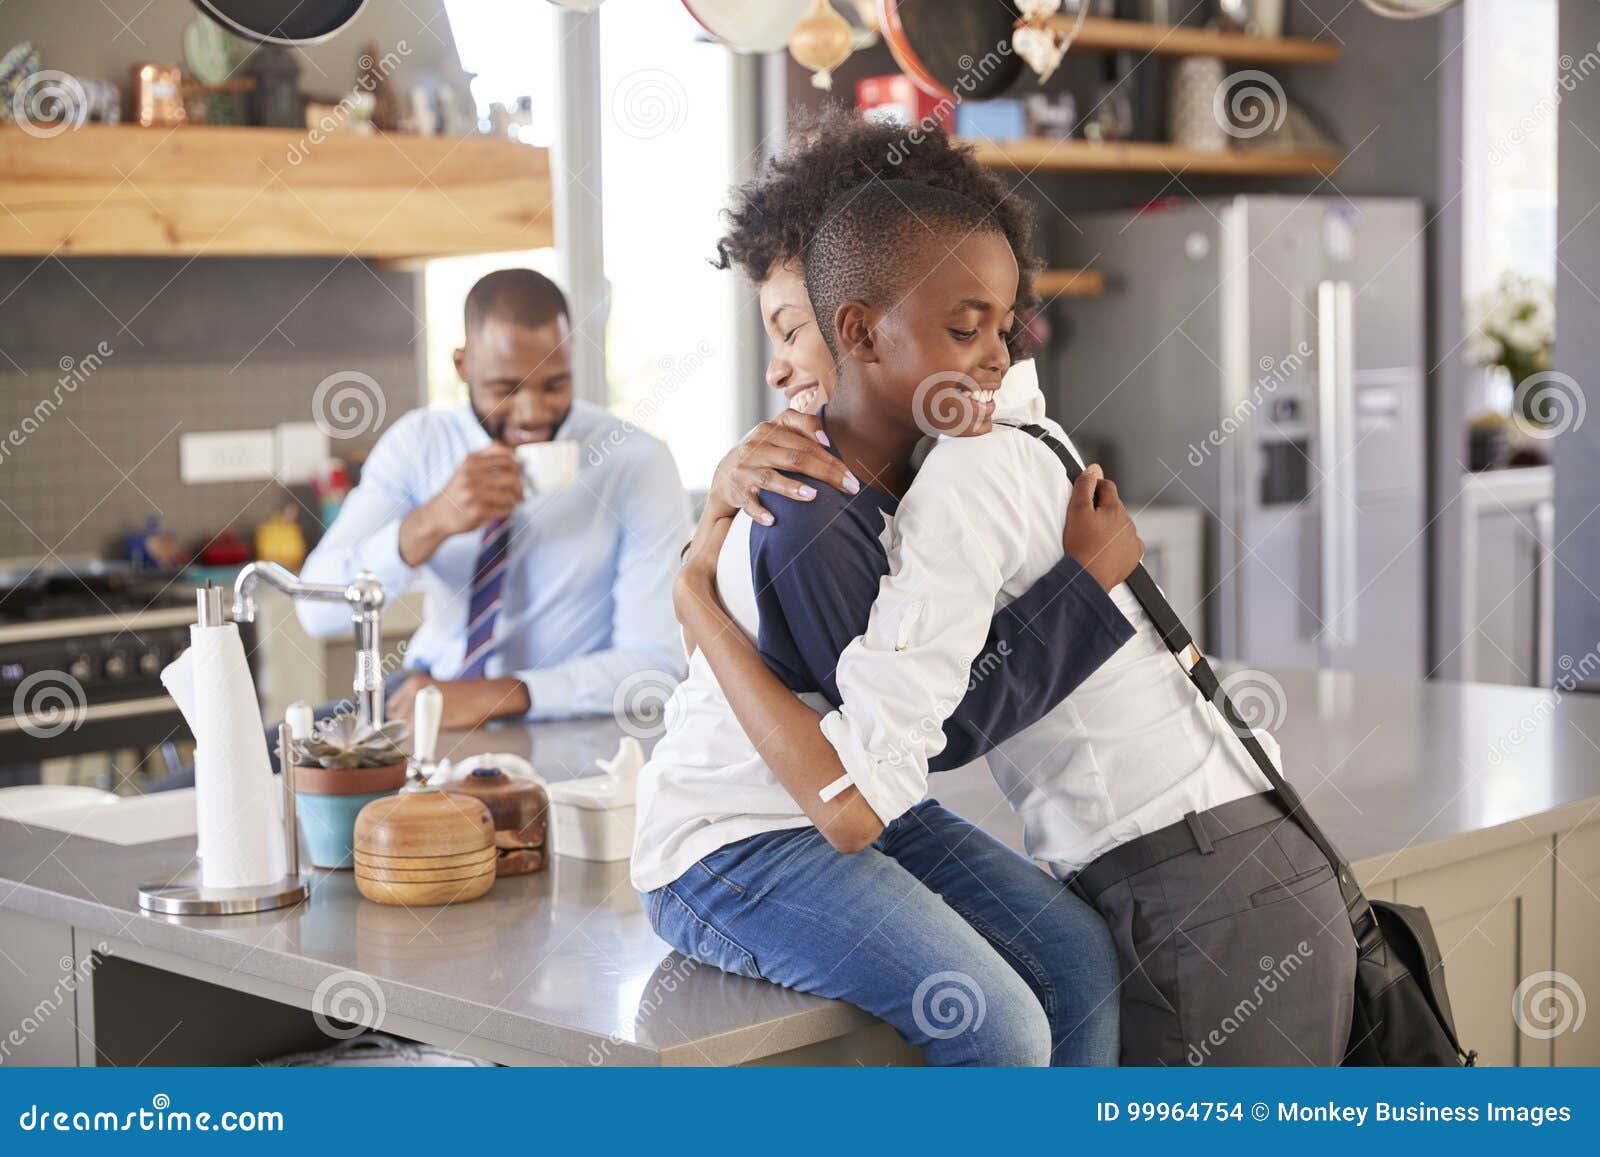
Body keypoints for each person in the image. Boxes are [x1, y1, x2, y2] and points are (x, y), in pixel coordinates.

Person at [681, 174, 1361, 1063]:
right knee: (1027, 1001)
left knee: (1061, 978)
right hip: (1245, 855)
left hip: (1195, 880)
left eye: (792, 327)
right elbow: (887, 759)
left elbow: (899, 754)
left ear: (846, 322)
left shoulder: (953, 466)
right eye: (774, 330)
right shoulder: (830, 496)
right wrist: (694, 581)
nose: (778, 364)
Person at [634, 180, 1144, 1067]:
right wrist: (1083, 591)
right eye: (792, 329)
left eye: (999, 327)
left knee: (1079, 957)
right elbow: (894, 758)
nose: (785, 364)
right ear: (862, 330)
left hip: (847, 803)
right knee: (999, 1022)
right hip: (730, 842)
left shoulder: (919, 472)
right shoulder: (809, 507)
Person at [297, 269, 691, 730]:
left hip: (561, 716)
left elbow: (656, 667)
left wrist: (494, 695)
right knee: (231, 772)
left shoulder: (635, 461)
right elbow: (317, 612)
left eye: (554, 385)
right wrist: (434, 522)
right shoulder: (418, 444)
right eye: (506, 389)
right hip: (423, 697)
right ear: (462, 366)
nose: (533, 414)